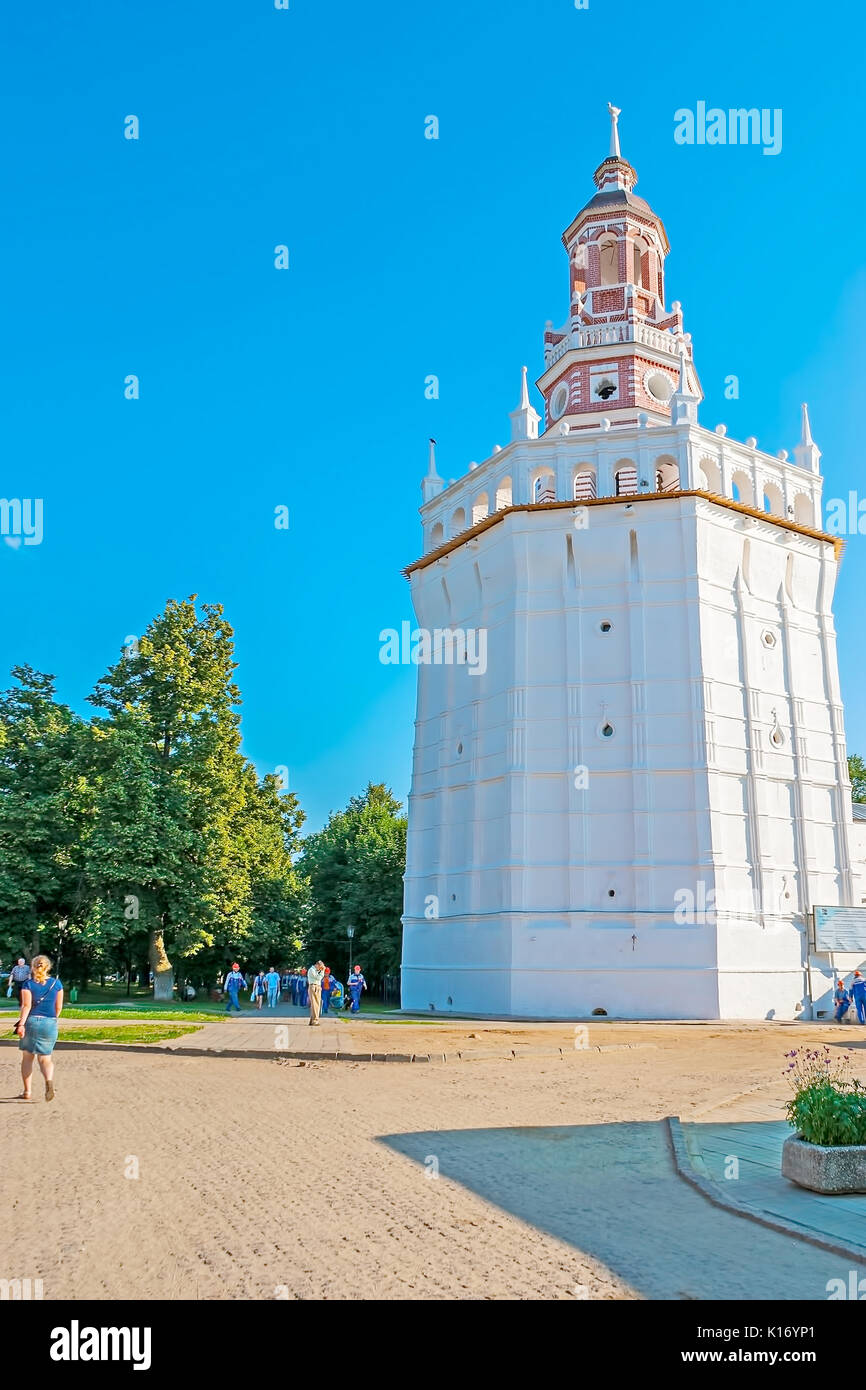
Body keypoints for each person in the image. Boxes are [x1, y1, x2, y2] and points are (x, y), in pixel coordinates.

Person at [14, 954, 63, 1102]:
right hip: (50, 1022)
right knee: (45, 1059)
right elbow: (58, 1007)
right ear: (48, 967)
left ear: (33, 967)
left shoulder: (28, 984)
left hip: (32, 1022)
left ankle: (27, 1091)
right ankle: (48, 1082)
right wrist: (51, 1019)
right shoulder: (56, 984)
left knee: (27, 1058)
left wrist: (21, 1024)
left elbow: (26, 1006)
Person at [307, 961, 325, 1027]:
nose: (320, 969)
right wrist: (322, 971)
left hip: (316, 986)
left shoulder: (315, 970)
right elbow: (318, 978)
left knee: (316, 1004)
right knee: (315, 1004)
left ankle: (312, 1020)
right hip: (314, 986)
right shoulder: (312, 970)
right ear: (317, 965)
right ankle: (315, 1020)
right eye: (320, 967)